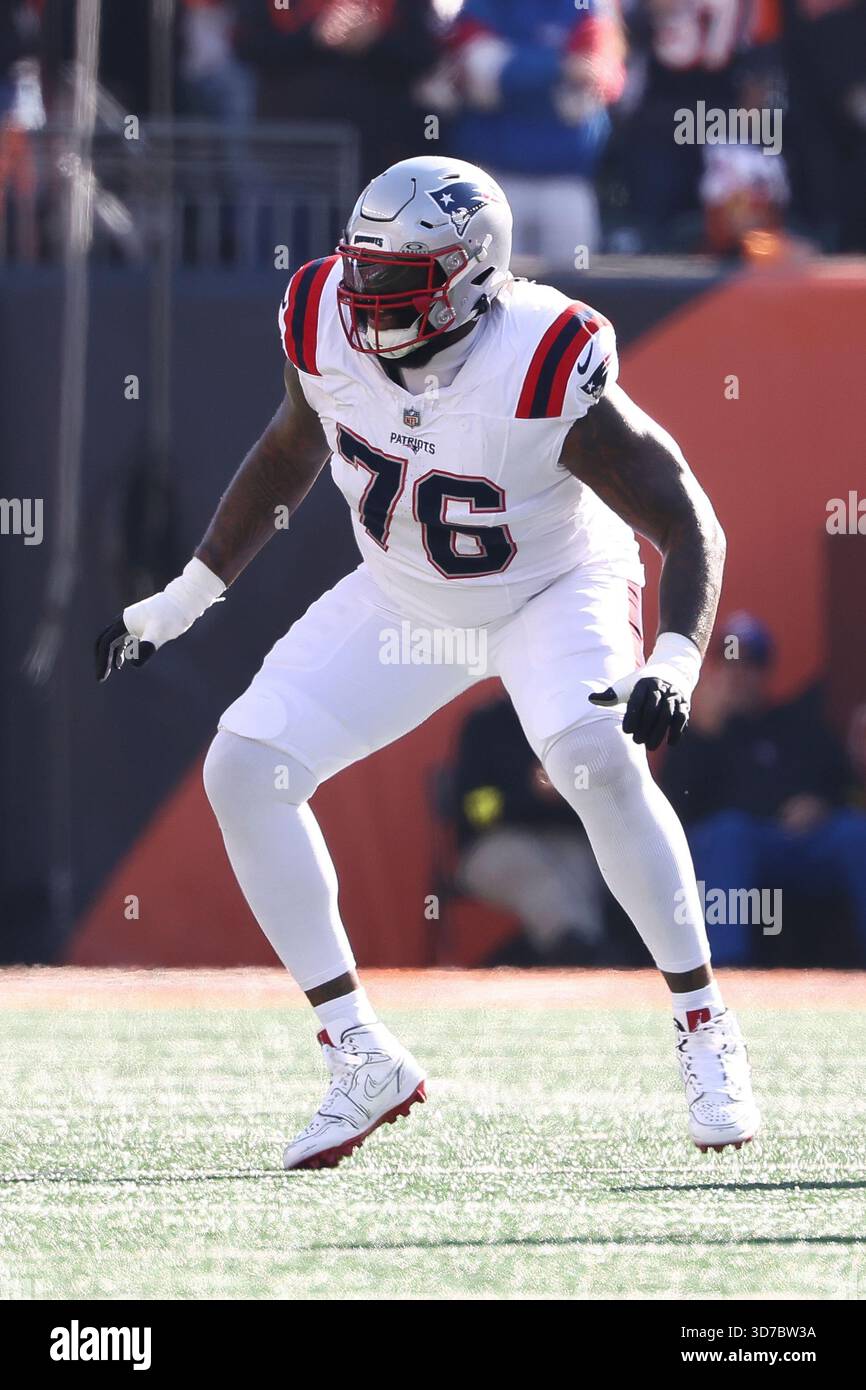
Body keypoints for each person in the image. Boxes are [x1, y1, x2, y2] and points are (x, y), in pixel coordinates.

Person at [96, 154, 759, 1168]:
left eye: (393, 283)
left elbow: (684, 515)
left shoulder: (541, 353)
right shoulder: (321, 310)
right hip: (407, 596)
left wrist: (672, 654)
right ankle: (359, 1053)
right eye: (359, 271)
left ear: (467, 278)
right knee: (245, 769)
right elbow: (289, 447)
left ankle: (703, 1024)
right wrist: (187, 597)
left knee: (589, 754)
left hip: (552, 588)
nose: (363, 301)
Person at [662, 612, 866, 965]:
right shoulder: (698, 734)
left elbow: (838, 782)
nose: (739, 675)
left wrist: (819, 805)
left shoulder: (794, 724)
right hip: (735, 846)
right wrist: (703, 735)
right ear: (714, 671)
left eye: (750, 664)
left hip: (800, 843)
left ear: (765, 671)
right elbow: (675, 806)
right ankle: (728, 967)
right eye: (730, 664)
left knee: (855, 832)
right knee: (729, 834)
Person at [451, 693, 606, 965]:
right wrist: (529, 793)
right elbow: (471, 808)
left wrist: (567, 791)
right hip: (491, 846)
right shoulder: (485, 723)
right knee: (541, 876)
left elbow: (602, 804)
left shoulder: (575, 723)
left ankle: (573, 959)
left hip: (565, 839)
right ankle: (577, 958)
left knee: (582, 868)